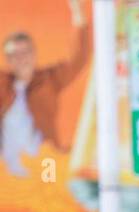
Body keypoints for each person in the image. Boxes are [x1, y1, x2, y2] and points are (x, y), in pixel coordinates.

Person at [0, 0, 90, 177]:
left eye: (25, 52)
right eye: (14, 54)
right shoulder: (4, 83)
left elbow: (78, 59)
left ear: (34, 54)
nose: (21, 58)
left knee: (51, 196)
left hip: (45, 164)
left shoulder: (48, 80)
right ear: (8, 60)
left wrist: (78, 14)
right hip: (7, 169)